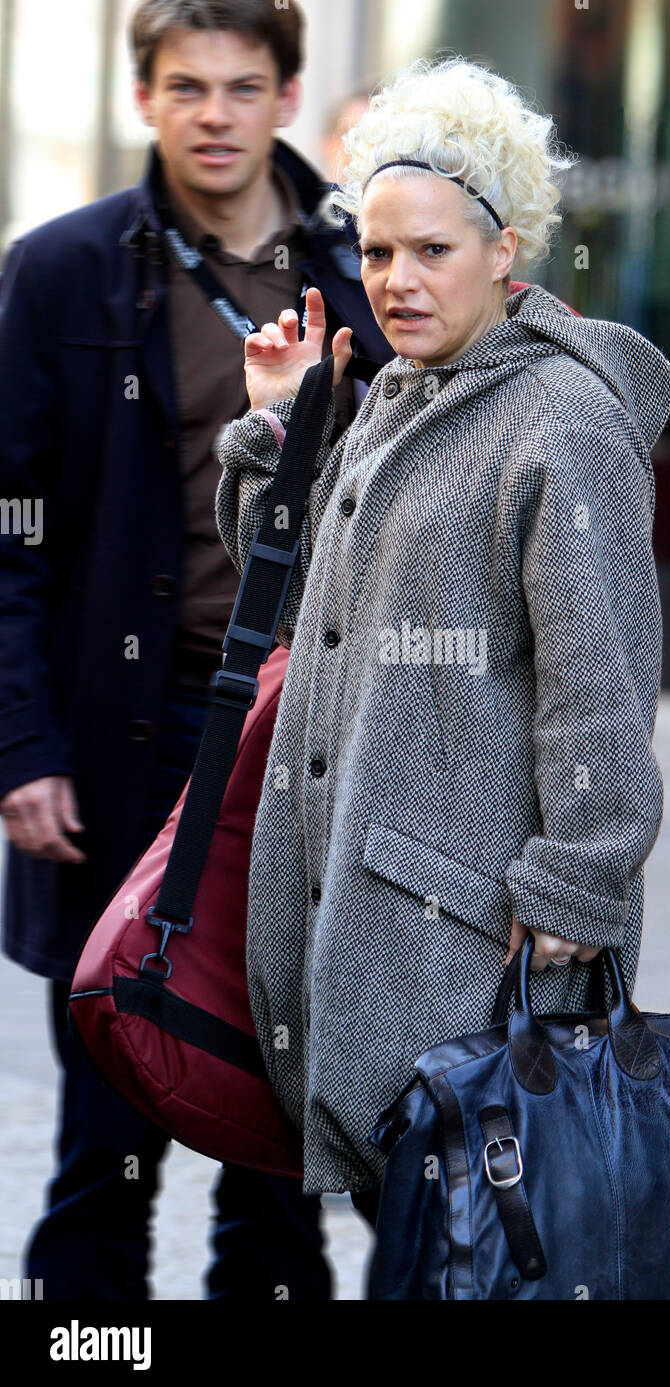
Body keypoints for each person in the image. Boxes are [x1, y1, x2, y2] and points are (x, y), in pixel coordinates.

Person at [216, 54, 670, 1222]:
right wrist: (280, 418)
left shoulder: (558, 420)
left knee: (484, 1247)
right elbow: (303, 591)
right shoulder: (395, 394)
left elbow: (600, 680)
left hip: (464, 941)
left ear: (504, 247)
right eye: (376, 252)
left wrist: (579, 880)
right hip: (363, 913)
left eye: (432, 250)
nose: (396, 281)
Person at [0, 0, 391, 1299]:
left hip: (305, 747)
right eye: (186, 87)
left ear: (285, 96)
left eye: (239, 86)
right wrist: (22, 747)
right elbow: (9, 531)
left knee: (279, 1119)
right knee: (108, 1108)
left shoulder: (369, 262)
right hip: (125, 738)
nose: (212, 114)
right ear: (146, 98)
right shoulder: (61, 270)